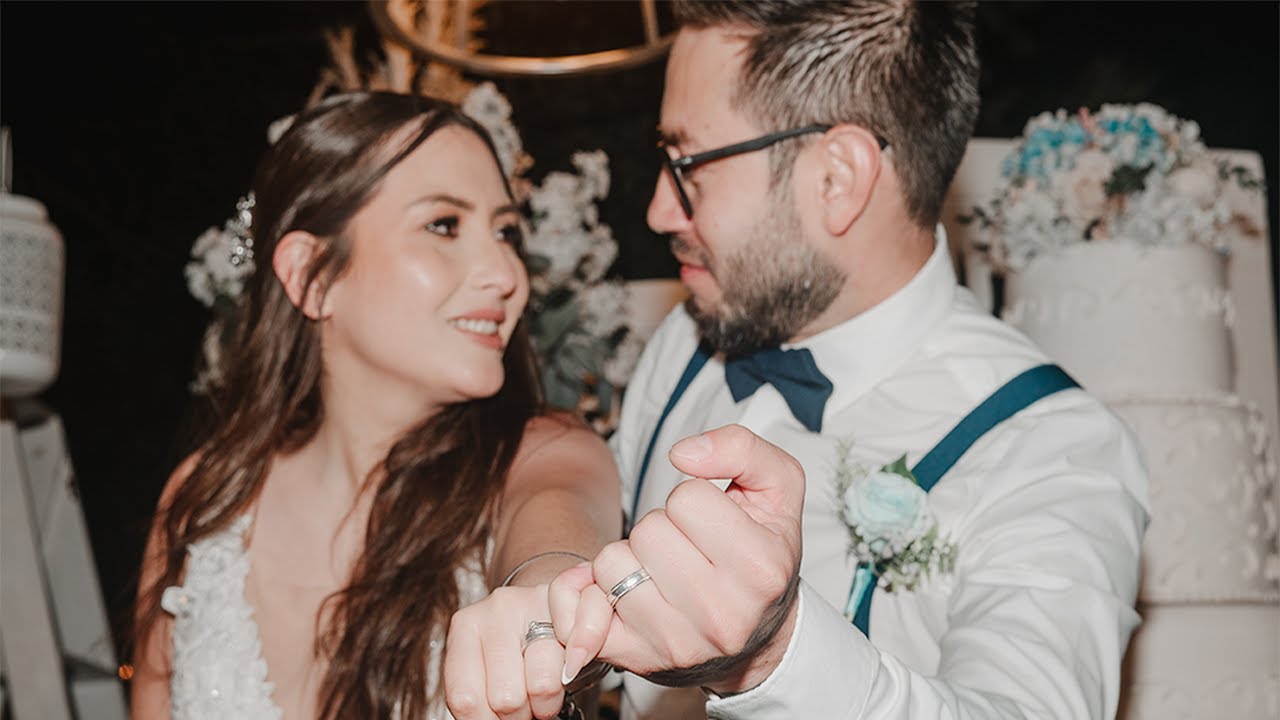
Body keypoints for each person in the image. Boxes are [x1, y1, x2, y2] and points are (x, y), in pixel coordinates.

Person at [447, 2, 1150, 719]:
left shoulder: (1055, 449)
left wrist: (774, 651)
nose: (661, 209)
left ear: (837, 178)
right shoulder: (685, 345)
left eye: (688, 164)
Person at [131, 91, 621, 720]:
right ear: (313, 276)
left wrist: (544, 603)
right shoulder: (204, 501)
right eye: (444, 225)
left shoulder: (546, 451)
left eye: (506, 232)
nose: (506, 272)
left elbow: (557, 537)